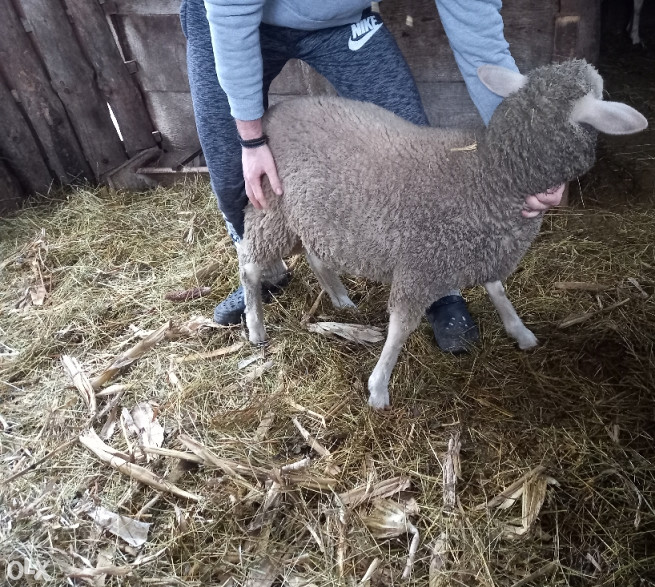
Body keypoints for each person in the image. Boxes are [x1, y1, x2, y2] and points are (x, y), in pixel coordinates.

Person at [180, 0, 564, 353]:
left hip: (340, 20)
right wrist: (250, 140)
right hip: (232, 19)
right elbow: (230, 14)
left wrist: (526, 148)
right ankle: (264, 267)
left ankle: (439, 289)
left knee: (415, 151)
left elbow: (480, 35)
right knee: (233, 169)